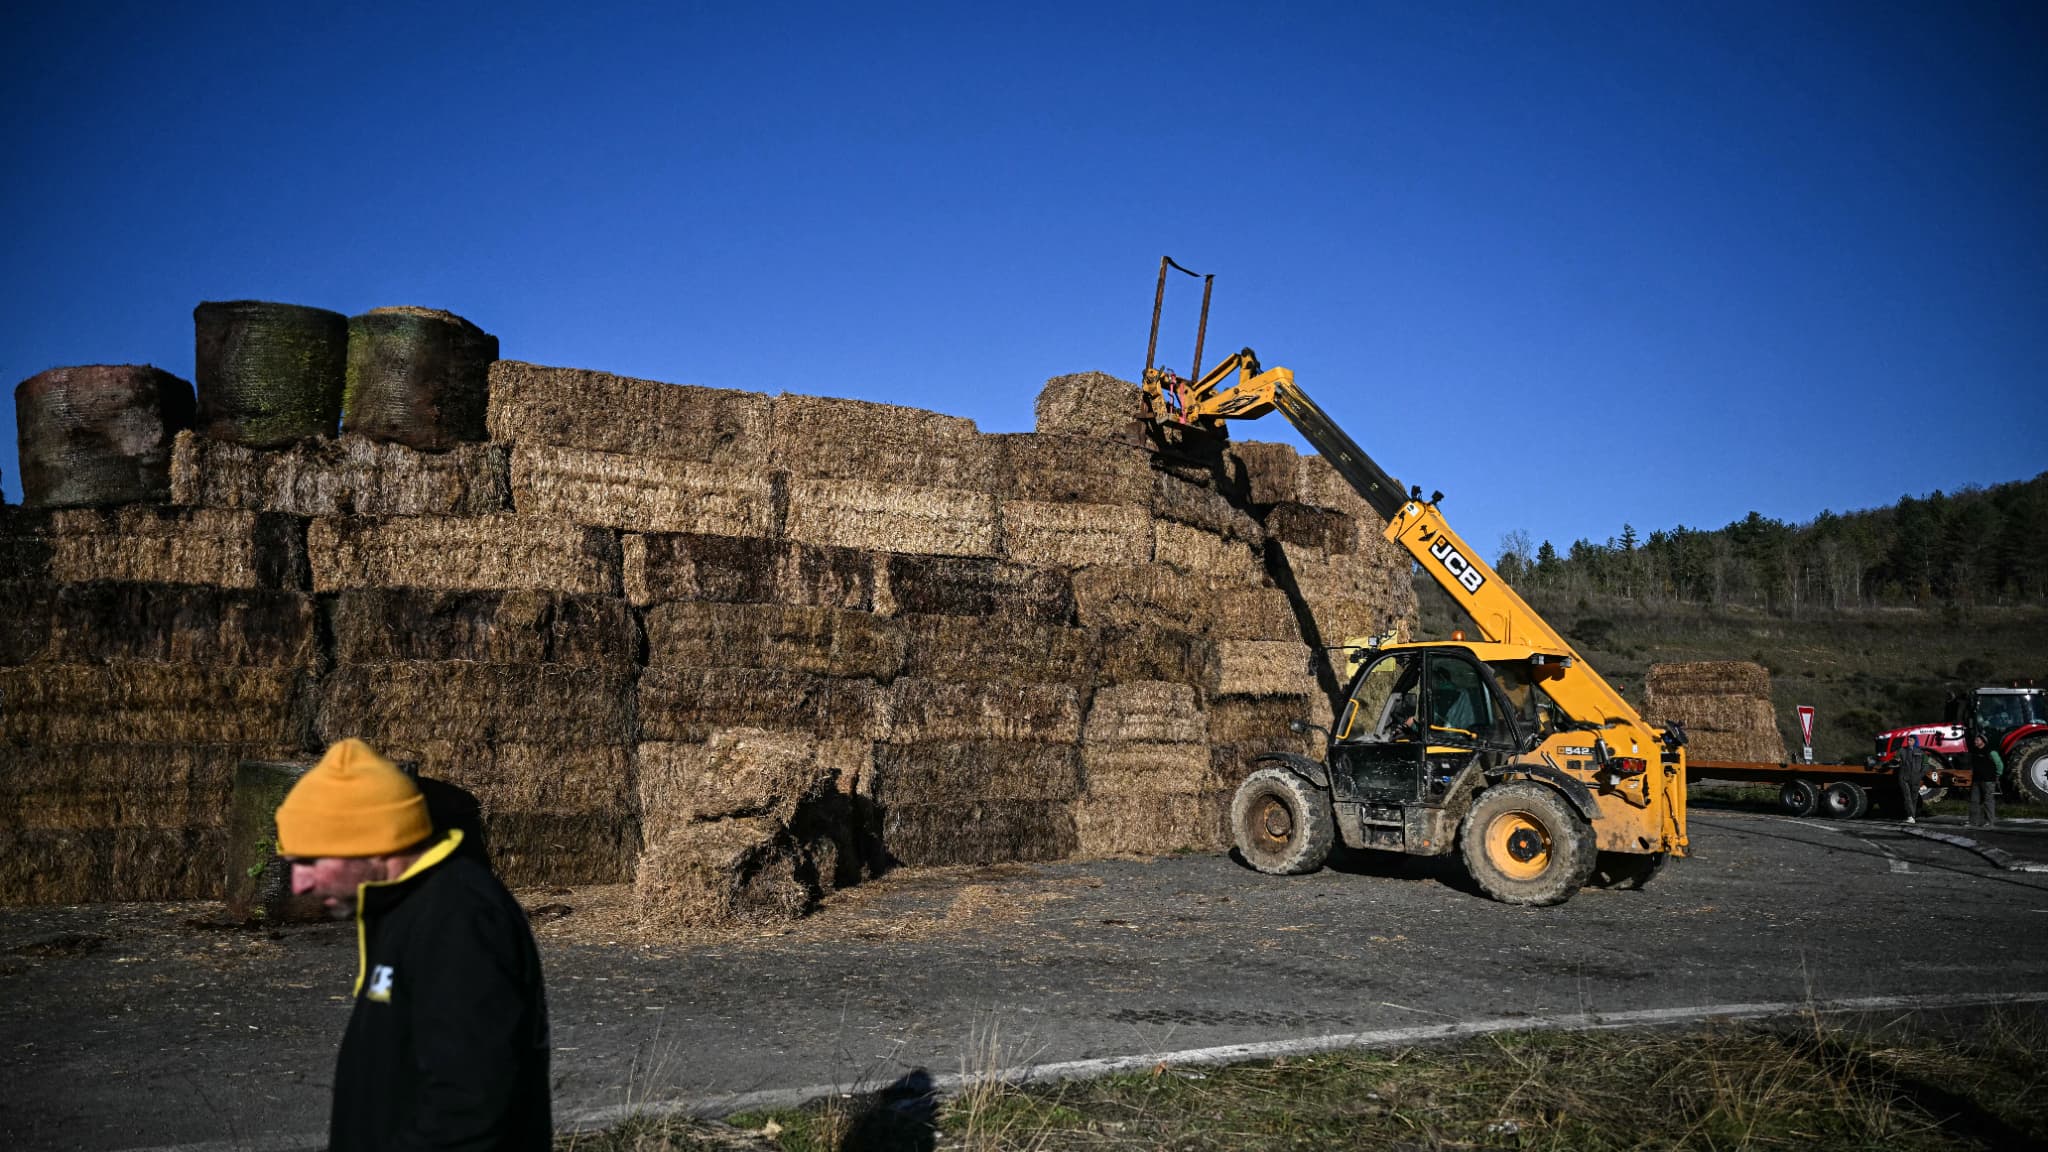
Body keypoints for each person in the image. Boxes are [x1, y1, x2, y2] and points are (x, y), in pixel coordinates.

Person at [277, 737, 552, 1151]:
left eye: (311, 860)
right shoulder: (404, 908)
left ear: (372, 842)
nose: (300, 884)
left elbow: (467, 1110)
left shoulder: (459, 919)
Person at [1966, 731, 2003, 829]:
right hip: (1976, 780)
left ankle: (1989, 822)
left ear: (1983, 741)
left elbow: (1999, 765)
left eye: (1977, 740)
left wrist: (1997, 775)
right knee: (1974, 801)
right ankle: (1973, 822)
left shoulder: (1991, 752)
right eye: (1975, 740)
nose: (1975, 741)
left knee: (1988, 801)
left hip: (1988, 780)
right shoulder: (1974, 752)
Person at [1894, 733, 1928, 824]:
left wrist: (1920, 776)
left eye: (1911, 740)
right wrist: (1896, 759)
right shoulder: (1901, 750)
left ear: (1915, 741)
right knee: (1907, 797)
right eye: (1908, 740)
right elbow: (1896, 758)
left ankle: (1912, 817)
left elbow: (1925, 765)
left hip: (1916, 778)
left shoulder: (1922, 753)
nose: (1909, 742)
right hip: (1904, 777)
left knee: (1914, 798)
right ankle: (1911, 816)